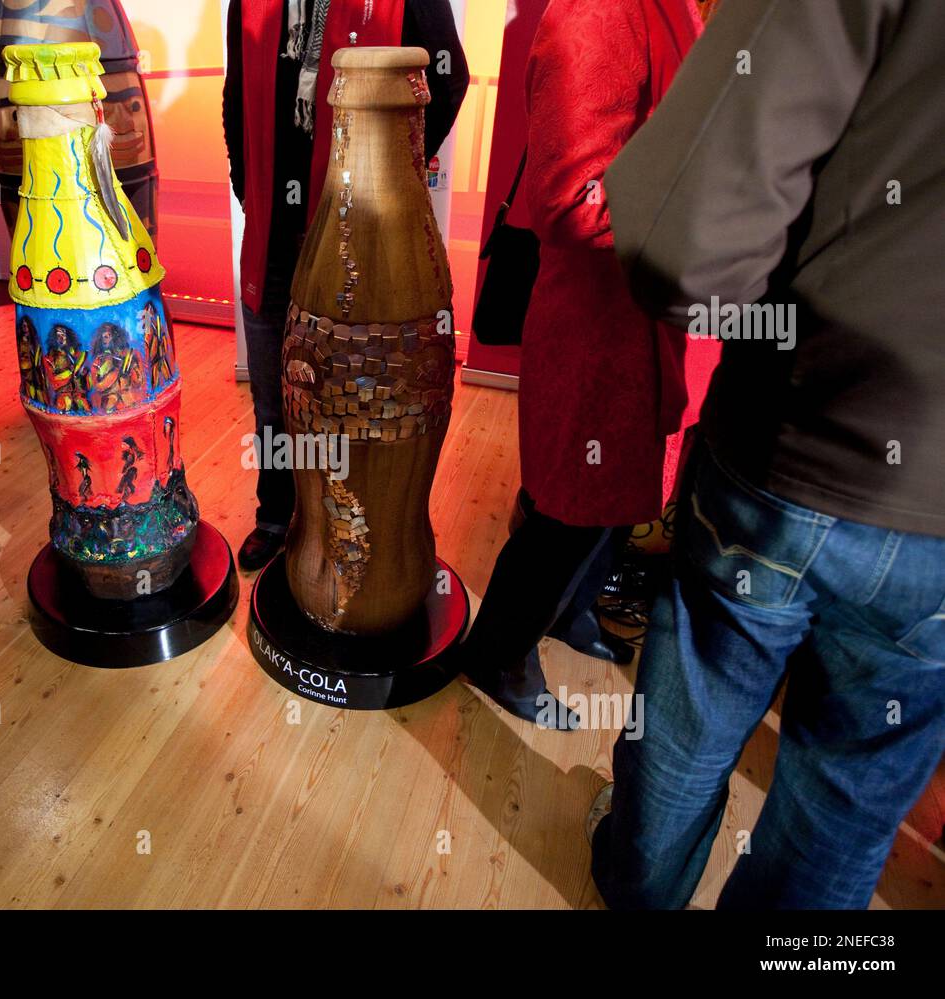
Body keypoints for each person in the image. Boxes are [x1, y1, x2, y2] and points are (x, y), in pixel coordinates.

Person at [591, 0, 945, 908]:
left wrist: (768, 317)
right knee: (847, 803)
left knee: (690, 721)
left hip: (801, 445)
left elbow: (686, 245)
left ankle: (637, 889)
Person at [460, 0, 714, 727]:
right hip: (598, 329)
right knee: (565, 511)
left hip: (638, 318)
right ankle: (499, 652)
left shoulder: (667, 9)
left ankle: (566, 615)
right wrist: (713, 224)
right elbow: (574, 198)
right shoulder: (599, 13)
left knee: (604, 504)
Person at [222, 0, 469, 572]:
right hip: (273, 234)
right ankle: (277, 515)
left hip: (358, 226)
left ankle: (346, 527)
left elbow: (446, 77)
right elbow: (236, 97)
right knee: (273, 396)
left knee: (353, 400)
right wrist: (245, 186)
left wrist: (392, 166)